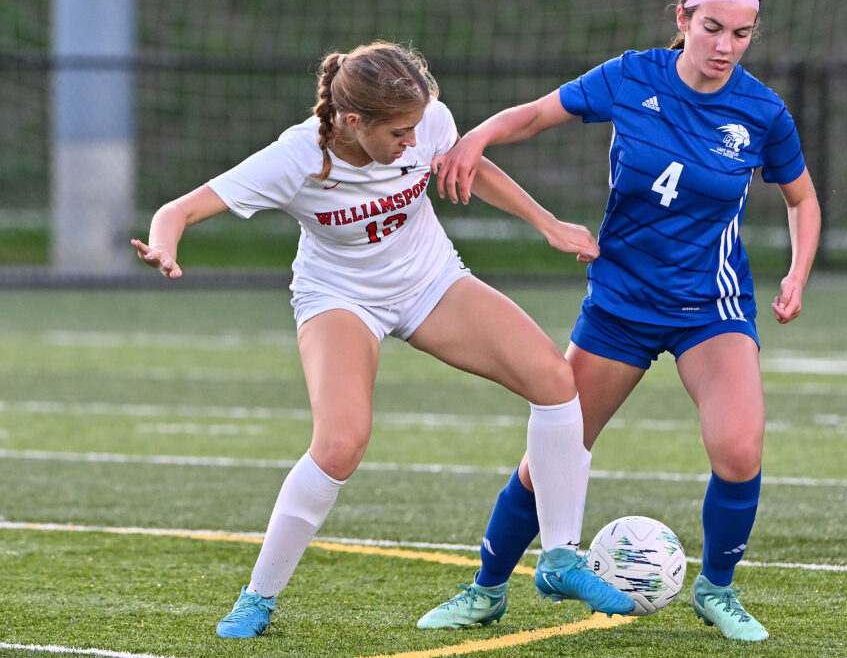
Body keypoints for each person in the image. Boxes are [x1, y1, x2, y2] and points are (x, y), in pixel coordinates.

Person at [131, 41, 634, 639]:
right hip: (340, 297)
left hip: (431, 281)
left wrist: (547, 223)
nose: (412, 142)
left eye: (418, 127)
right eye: (398, 133)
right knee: (341, 442)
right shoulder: (296, 157)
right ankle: (258, 597)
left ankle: (558, 558)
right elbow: (179, 209)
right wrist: (165, 244)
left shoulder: (427, 123)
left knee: (555, 380)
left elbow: (469, 167)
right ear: (351, 121)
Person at [420, 0, 820, 642]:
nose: (726, 46)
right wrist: (478, 136)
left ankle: (717, 590)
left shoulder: (762, 111)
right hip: (620, 303)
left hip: (711, 306)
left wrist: (797, 271)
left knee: (739, 447)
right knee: (554, 451)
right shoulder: (632, 76)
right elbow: (537, 114)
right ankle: (485, 589)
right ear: (683, 20)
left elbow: (802, 199)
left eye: (743, 34)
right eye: (714, 28)